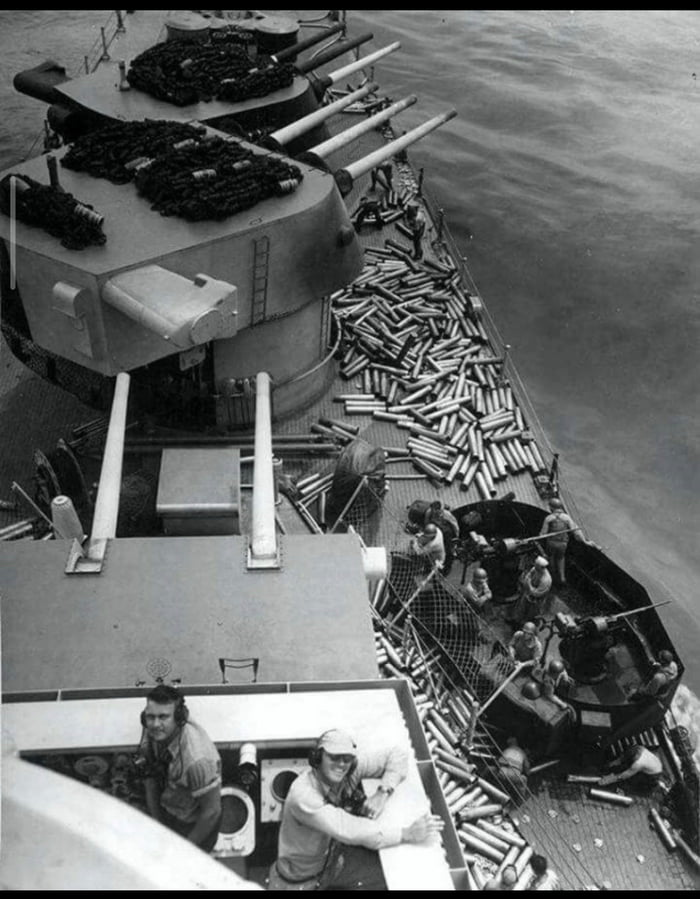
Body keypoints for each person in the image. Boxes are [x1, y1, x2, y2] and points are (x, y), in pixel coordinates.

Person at [270, 728, 444, 890]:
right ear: (317, 758)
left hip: (331, 862)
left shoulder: (348, 770)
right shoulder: (303, 795)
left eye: (347, 759)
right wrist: (407, 834)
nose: (341, 764)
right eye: (334, 757)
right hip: (299, 883)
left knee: (390, 876)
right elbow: (349, 829)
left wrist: (382, 793)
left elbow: (397, 756)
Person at [138, 684, 222, 851]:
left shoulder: (197, 759)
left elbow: (211, 812)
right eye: (150, 717)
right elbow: (150, 775)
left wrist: (183, 852)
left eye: (163, 717)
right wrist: (159, 828)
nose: (155, 724)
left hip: (192, 825)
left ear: (179, 718)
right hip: (168, 807)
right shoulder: (155, 731)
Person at [539, 498, 598, 585]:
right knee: (560, 558)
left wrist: (540, 535)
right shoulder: (567, 518)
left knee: (550, 557)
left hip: (551, 543)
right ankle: (562, 577)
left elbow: (543, 534)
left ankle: (553, 575)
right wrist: (585, 542)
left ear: (552, 508)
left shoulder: (549, 518)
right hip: (563, 544)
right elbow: (576, 532)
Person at [597, 745, 663, 790]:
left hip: (654, 772)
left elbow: (623, 776)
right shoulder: (638, 748)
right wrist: (610, 765)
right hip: (656, 762)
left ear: (634, 758)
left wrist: (608, 780)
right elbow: (622, 758)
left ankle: (653, 785)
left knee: (633, 781)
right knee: (626, 766)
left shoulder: (638, 764)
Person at [511, 557, 552, 625]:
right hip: (528, 593)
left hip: (536, 600)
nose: (534, 566)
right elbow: (528, 575)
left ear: (541, 567)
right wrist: (527, 582)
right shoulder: (536, 569)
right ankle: (516, 621)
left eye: (536, 566)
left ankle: (524, 626)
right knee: (521, 608)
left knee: (530, 614)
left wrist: (529, 584)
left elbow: (536, 593)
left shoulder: (546, 580)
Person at [424, 500, 460, 576]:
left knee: (449, 553)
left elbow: (455, 526)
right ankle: (427, 568)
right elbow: (426, 523)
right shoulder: (429, 513)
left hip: (447, 535)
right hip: (436, 533)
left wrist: (455, 538)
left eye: (438, 512)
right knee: (431, 551)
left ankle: (446, 570)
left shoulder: (447, 515)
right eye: (434, 512)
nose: (436, 514)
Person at [495, 737, 530, 801]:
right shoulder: (522, 752)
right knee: (524, 779)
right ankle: (520, 800)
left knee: (490, 770)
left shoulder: (506, 750)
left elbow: (497, 763)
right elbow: (527, 770)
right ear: (517, 743)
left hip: (501, 774)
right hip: (514, 776)